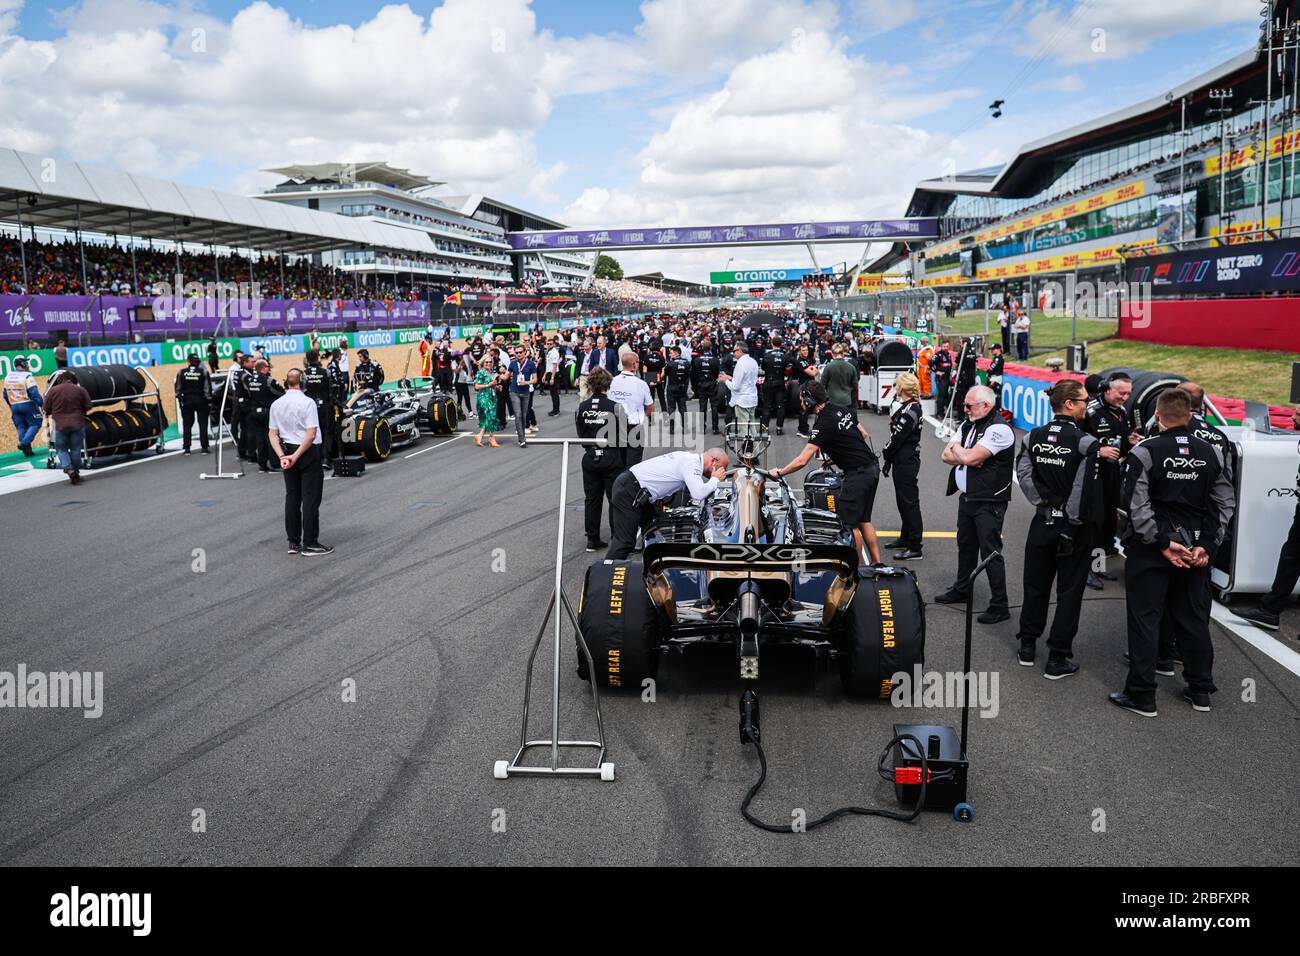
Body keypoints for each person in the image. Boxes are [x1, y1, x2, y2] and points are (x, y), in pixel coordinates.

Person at [1110, 388, 1234, 717]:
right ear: (1191, 415)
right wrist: (1207, 545)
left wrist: (1163, 542)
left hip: (1153, 549)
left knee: (1145, 619)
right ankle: (1200, 690)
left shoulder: (1146, 450)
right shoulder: (1213, 452)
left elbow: (1134, 505)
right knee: (1193, 620)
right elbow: (1224, 503)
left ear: (1159, 417)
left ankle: (1142, 695)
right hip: (1195, 549)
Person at [1013, 379, 1099, 677]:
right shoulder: (1086, 442)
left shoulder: (1033, 436)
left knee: (1035, 585)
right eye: (1085, 401)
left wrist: (1045, 500)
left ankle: (1027, 645)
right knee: (1069, 592)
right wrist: (1070, 521)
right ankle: (1057, 658)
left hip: (1042, 520)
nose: (1088, 405)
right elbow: (1082, 489)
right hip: (1072, 528)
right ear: (1069, 404)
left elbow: (1023, 474)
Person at [770, 382, 882, 565]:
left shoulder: (823, 423)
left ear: (809, 399)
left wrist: (780, 472)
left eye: (801, 399)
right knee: (864, 520)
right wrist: (839, 455)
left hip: (858, 474)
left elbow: (802, 460)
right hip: (871, 468)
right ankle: (877, 565)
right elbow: (862, 433)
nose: (800, 403)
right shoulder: (840, 408)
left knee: (848, 525)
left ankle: (858, 570)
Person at [934, 384, 1014, 623]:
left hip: (989, 500)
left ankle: (1000, 605)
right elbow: (945, 455)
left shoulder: (999, 428)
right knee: (966, 545)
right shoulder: (969, 424)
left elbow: (966, 456)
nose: (965, 409)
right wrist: (966, 455)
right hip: (968, 497)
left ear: (986, 406)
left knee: (990, 552)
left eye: (969, 405)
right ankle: (962, 589)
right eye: (965, 405)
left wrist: (963, 452)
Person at [606, 448, 729, 560]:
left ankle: (655, 569)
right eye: (722, 469)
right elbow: (698, 494)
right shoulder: (692, 464)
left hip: (638, 490)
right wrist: (715, 479)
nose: (722, 474)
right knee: (625, 542)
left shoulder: (690, 458)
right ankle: (603, 576)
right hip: (630, 490)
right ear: (714, 461)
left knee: (658, 525)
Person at [267, 369, 332, 557]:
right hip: (306, 452)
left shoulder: (276, 404)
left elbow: (272, 434)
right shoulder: (308, 402)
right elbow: (311, 434)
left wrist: (282, 456)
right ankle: (310, 542)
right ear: (303, 382)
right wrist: (296, 456)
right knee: (310, 498)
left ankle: (293, 541)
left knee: (292, 498)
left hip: (286, 451)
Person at [1085, 372, 1139, 587]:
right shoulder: (1089, 412)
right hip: (1093, 476)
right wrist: (1099, 451)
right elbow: (1075, 445)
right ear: (1108, 390)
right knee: (1094, 523)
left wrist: (1130, 442)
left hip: (1113, 475)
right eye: (1121, 393)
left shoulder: (1122, 411)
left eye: (1128, 393)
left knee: (1108, 522)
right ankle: (1087, 569)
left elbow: (1121, 443)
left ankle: (1098, 567)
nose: (1125, 397)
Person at [575, 367, 626, 551]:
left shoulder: (581, 407)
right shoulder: (615, 406)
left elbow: (581, 435)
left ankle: (592, 539)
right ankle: (617, 537)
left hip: (590, 458)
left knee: (592, 499)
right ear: (608, 384)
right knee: (615, 498)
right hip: (611, 457)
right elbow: (624, 435)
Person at [881, 372, 924, 561]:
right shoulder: (908, 407)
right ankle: (906, 537)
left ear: (902, 388)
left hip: (907, 460)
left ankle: (915, 546)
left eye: (896, 384)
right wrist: (889, 459)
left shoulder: (911, 410)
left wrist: (886, 454)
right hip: (901, 459)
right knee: (902, 501)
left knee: (909, 502)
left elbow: (897, 438)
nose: (894, 387)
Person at [43, 370, 91, 484]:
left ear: (60, 380)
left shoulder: (53, 391)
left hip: (60, 425)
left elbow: (46, 408)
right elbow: (89, 405)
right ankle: (76, 471)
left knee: (61, 449)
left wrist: (52, 412)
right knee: (76, 449)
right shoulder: (80, 390)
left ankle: (69, 469)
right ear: (73, 380)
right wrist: (81, 411)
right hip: (77, 423)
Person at [608, 351, 654, 467]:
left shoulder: (612, 381)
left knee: (618, 462)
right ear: (634, 364)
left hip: (615, 425)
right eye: (638, 362)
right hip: (634, 426)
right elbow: (650, 409)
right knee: (633, 466)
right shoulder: (641, 384)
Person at [246, 359, 285, 473]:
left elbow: (248, 394)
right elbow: (281, 393)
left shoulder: (250, 380)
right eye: (268, 367)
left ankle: (262, 465)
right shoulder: (268, 380)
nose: (269, 368)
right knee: (271, 437)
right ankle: (274, 464)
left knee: (260, 438)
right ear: (263, 368)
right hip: (267, 412)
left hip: (254, 412)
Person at [301, 349, 337, 467]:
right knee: (327, 432)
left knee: (310, 432)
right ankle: (326, 459)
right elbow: (332, 390)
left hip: (308, 407)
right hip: (324, 406)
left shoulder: (303, 374)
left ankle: (314, 458)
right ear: (318, 358)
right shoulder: (326, 372)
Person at [4, 355, 43, 456]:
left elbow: (5, 394)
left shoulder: (8, 376)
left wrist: (11, 405)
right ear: (22, 364)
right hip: (27, 404)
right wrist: (41, 403)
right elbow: (33, 393)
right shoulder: (27, 376)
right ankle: (24, 443)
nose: (28, 365)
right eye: (26, 363)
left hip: (14, 405)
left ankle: (27, 451)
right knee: (36, 423)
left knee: (21, 426)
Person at [174, 353, 212, 455]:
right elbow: (207, 388)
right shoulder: (203, 371)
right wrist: (209, 401)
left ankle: (187, 449)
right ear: (198, 362)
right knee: (203, 424)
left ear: (188, 362)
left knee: (187, 425)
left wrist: (180, 399)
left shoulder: (181, 372)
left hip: (187, 400)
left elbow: (177, 388)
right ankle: (204, 448)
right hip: (201, 400)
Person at [718, 340, 759, 424]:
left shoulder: (740, 364)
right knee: (751, 426)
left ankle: (728, 426)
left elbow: (735, 386)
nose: (733, 353)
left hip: (742, 399)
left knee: (743, 429)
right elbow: (747, 378)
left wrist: (726, 379)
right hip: (752, 398)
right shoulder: (753, 361)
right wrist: (731, 377)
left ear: (740, 350)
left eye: (734, 351)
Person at [691, 338, 721, 434]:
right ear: (710, 348)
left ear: (702, 348)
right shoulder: (715, 359)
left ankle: (702, 428)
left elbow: (694, 374)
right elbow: (717, 373)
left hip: (701, 384)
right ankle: (715, 428)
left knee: (702, 407)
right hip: (711, 383)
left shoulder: (697, 360)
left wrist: (695, 387)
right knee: (714, 406)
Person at [473, 354, 501, 447]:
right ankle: (491, 438)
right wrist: (488, 385)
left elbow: (493, 384)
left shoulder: (492, 372)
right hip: (484, 397)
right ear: (483, 363)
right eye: (486, 362)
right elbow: (476, 386)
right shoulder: (481, 372)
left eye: (490, 362)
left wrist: (497, 386)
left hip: (492, 397)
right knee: (491, 416)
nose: (488, 363)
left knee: (487, 417)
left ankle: (479, 436)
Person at [663, 344, 691, 434]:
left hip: (671, 388)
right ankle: (685, 428)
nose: (670, 355)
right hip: (682, 388)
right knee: (683, 409)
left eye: (671, 353)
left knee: (671, 409)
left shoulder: (670, 364)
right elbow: (687, 376)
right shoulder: (687, 363)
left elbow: (665, 374)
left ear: (676, 353)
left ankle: (672, 429)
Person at [931, 341, 954, 419]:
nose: (945, 348)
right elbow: (930, 363)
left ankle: (943, 411)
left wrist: (951, 375)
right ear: (941, 346)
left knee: (945, 395)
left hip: (947, 378)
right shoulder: (938, 355)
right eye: (944, 346)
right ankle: (939, 413)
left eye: (947, 346)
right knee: (941, 395)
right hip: (940, 379)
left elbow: (949, 365)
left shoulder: (948, 355)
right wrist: (936, 371)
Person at [544, 337, 562, 416]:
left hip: (553, 373)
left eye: (550, 344)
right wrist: (544, 375)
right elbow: (548, 365)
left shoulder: (555, 352)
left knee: (554, 393)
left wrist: (552, 378)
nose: (549, 345)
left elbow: (554, 366)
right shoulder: (548, 352)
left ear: (554, 344)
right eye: (547, 344)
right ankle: (554, 409)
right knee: (552, 393)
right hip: (549, 372)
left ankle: (556, 410)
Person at [987, 342, 1005, 408]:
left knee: (995, 397)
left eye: (993, 349)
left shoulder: (999, 358)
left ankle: (997, 412)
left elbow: (992, 369)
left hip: (996, 379)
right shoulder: (996, 358)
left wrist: (988, 372)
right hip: (994, 378)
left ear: (998, 349)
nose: (992, 351)